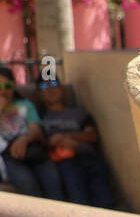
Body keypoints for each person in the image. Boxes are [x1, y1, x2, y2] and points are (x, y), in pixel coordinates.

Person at [37, 79, 116, 207]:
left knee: (104, 197)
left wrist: (67, 137)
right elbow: (41, 141)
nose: (50, 89)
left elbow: (92, 135)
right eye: (44, 86)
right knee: (78, 195)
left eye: (54, 84)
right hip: (62, 161)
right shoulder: (40, 116)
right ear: (38, 94)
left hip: (89, 156)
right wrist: (56, 141)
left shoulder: (79, 113)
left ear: (62, 88)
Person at [0, 66, 63, 200]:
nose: (3, 89)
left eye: (7, 85)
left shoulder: (25, 105)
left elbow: (35, 129)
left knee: (53, 181)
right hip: (8, 156)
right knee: (27, 183)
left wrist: (24, 139)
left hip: (33, 149)